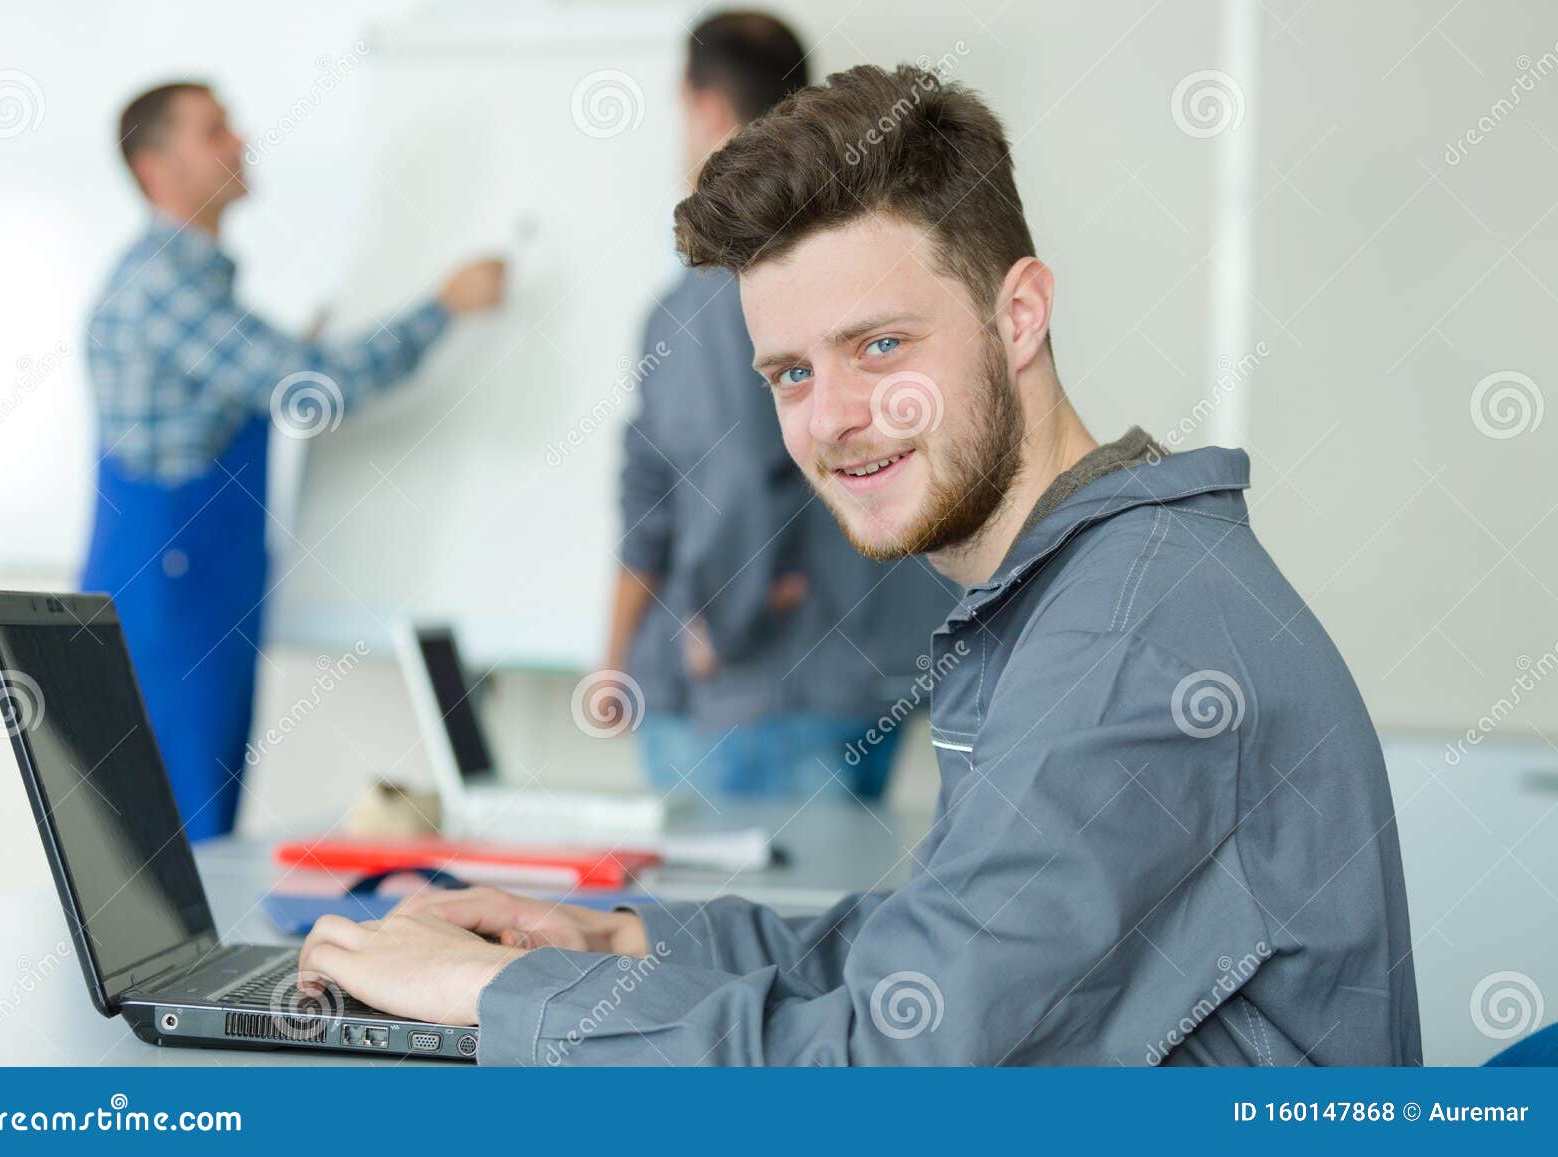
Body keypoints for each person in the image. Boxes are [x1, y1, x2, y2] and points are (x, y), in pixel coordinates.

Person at [297, 65, 1421, 1066]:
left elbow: (883, 1068)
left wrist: (493, 991)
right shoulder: (1071, 583)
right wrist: (617, 935)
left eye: (879, 344)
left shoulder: (1129, 636)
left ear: (1017, 312)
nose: (832, 418)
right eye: (787, 372)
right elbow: (920, 950)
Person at [82, 82, 504, 839]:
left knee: (193, 839)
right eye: (215, 132)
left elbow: (271, 379)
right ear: (157, 170)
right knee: (176, 852)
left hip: (198, 595)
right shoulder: (164, 286)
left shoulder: (192, 286)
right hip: (169, 604)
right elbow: (316, 386)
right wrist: (444, 306)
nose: (242, 141)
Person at [601, 11, 954, 799]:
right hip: (868, 667)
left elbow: (730, 472)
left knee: (745, 924)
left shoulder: (725, 289)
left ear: (707, 112)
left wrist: (718, 624)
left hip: (761, 695)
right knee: (834, 913)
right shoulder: (879, 261)